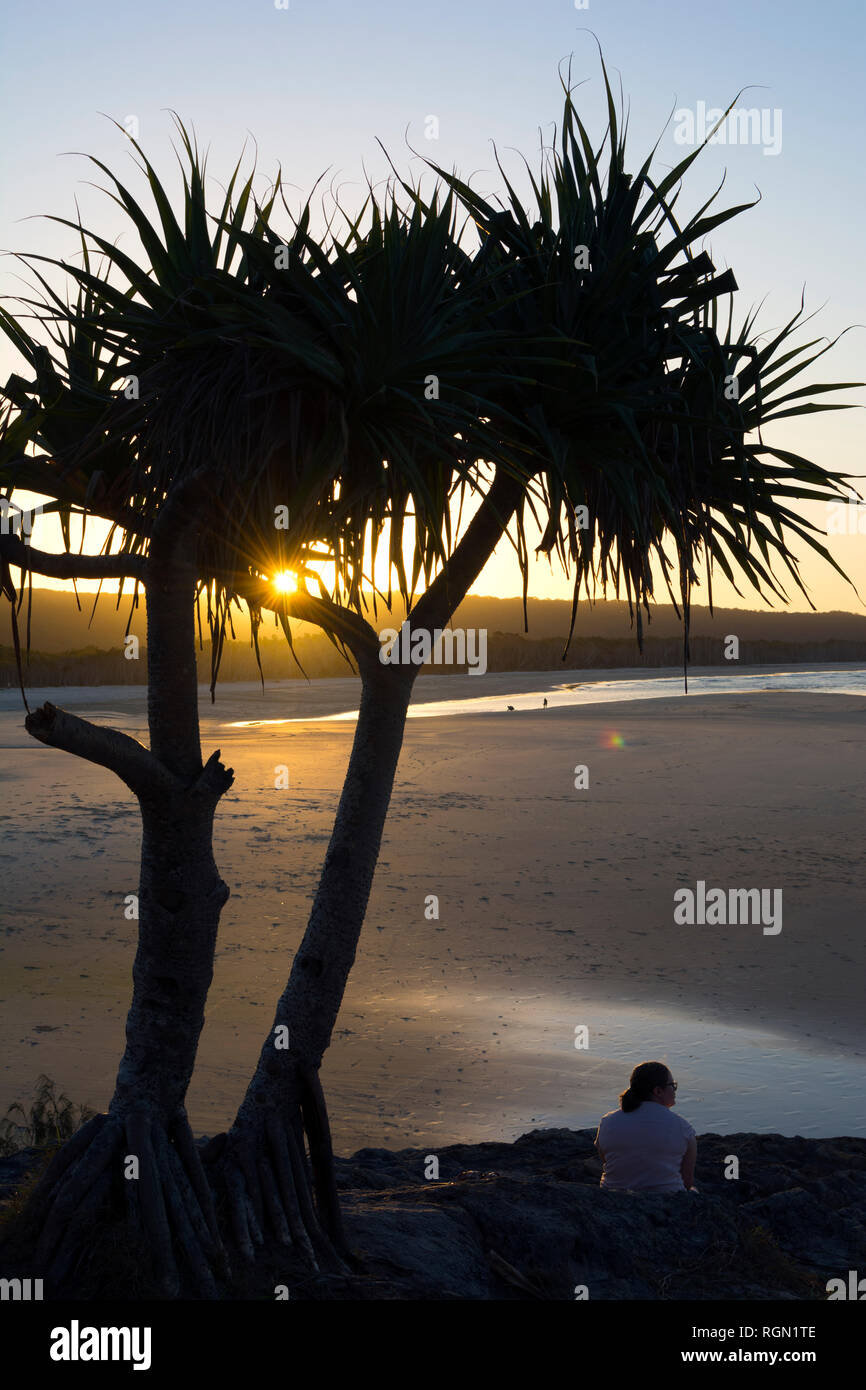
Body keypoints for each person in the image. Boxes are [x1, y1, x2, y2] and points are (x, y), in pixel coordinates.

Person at [594, 1060, 698, 1192]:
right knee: (694, 1192)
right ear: (658, 1091)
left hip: (613, 1196)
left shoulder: (608, 1122)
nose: (675, 1090)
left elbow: (607, 1160)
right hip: (667, 1199)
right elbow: (687, 1183)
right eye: (672, 1085)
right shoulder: (683, 1128)